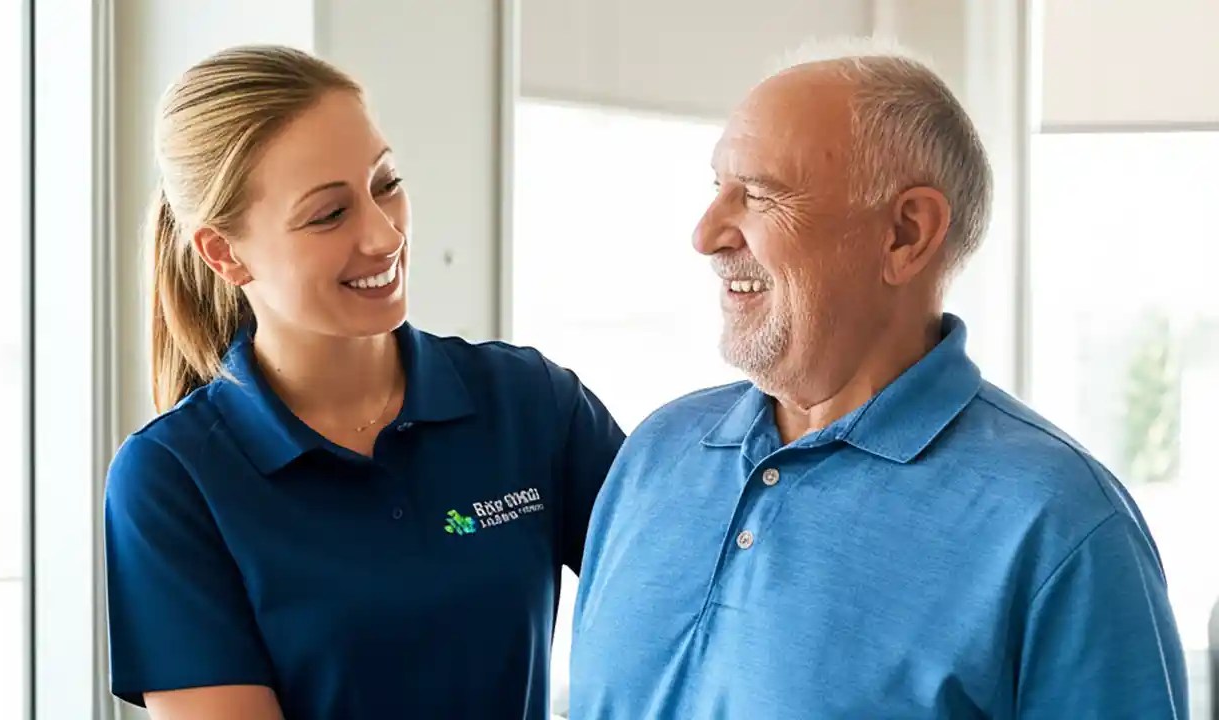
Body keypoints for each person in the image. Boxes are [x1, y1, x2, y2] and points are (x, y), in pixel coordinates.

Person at [569, 40, 1187, 719]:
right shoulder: (656, 455)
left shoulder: (1061, 524)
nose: (708, 233)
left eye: (760, 194)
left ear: (905, 234)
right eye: (717, 189)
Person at [104, 45, 624, 720]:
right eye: (328, 215)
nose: (383, 236)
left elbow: (690, 605)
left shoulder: (531, 403)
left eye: (386, 184)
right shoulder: (172, 481)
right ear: (225, 253)